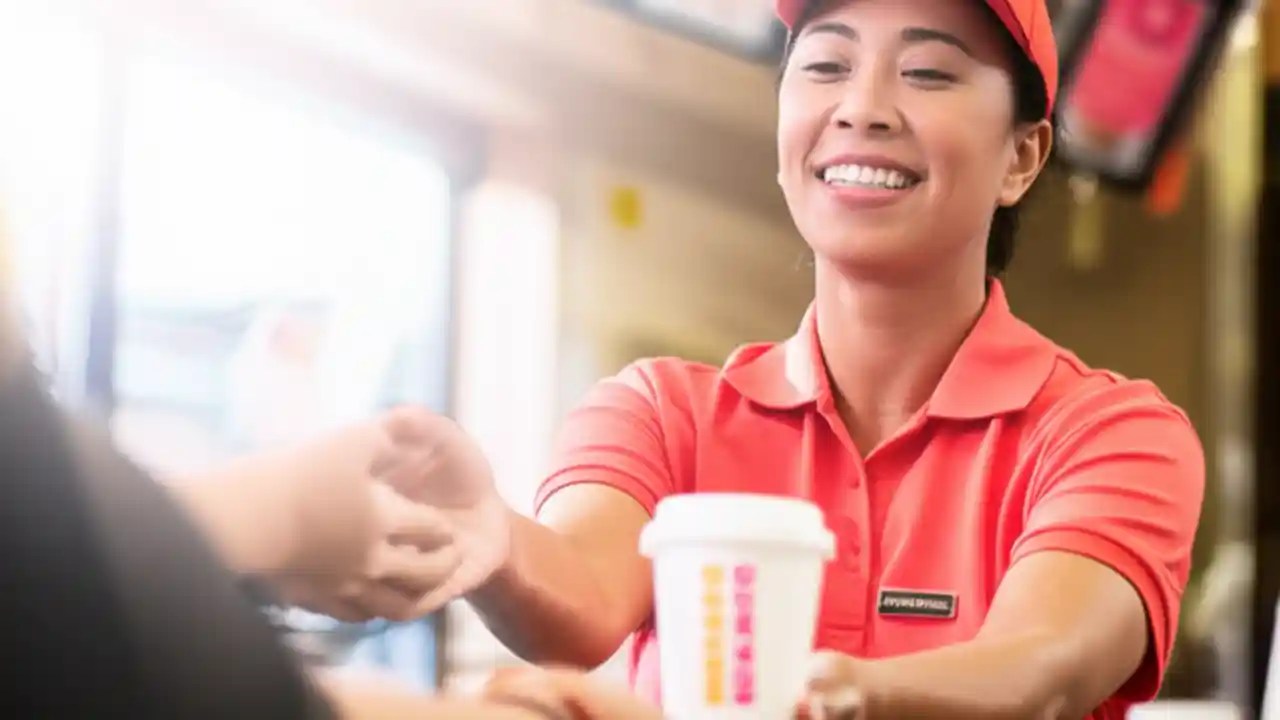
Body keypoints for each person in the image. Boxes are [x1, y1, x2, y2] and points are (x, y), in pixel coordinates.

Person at [354, 1, 1208, 718]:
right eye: (827, 66)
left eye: (928, 73)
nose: (862, 108)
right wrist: (488, 535)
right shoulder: (660, 412)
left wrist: (820, 697)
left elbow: (1043, 665)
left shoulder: (1111, 435)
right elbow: (579, 600)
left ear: (1021, 156)